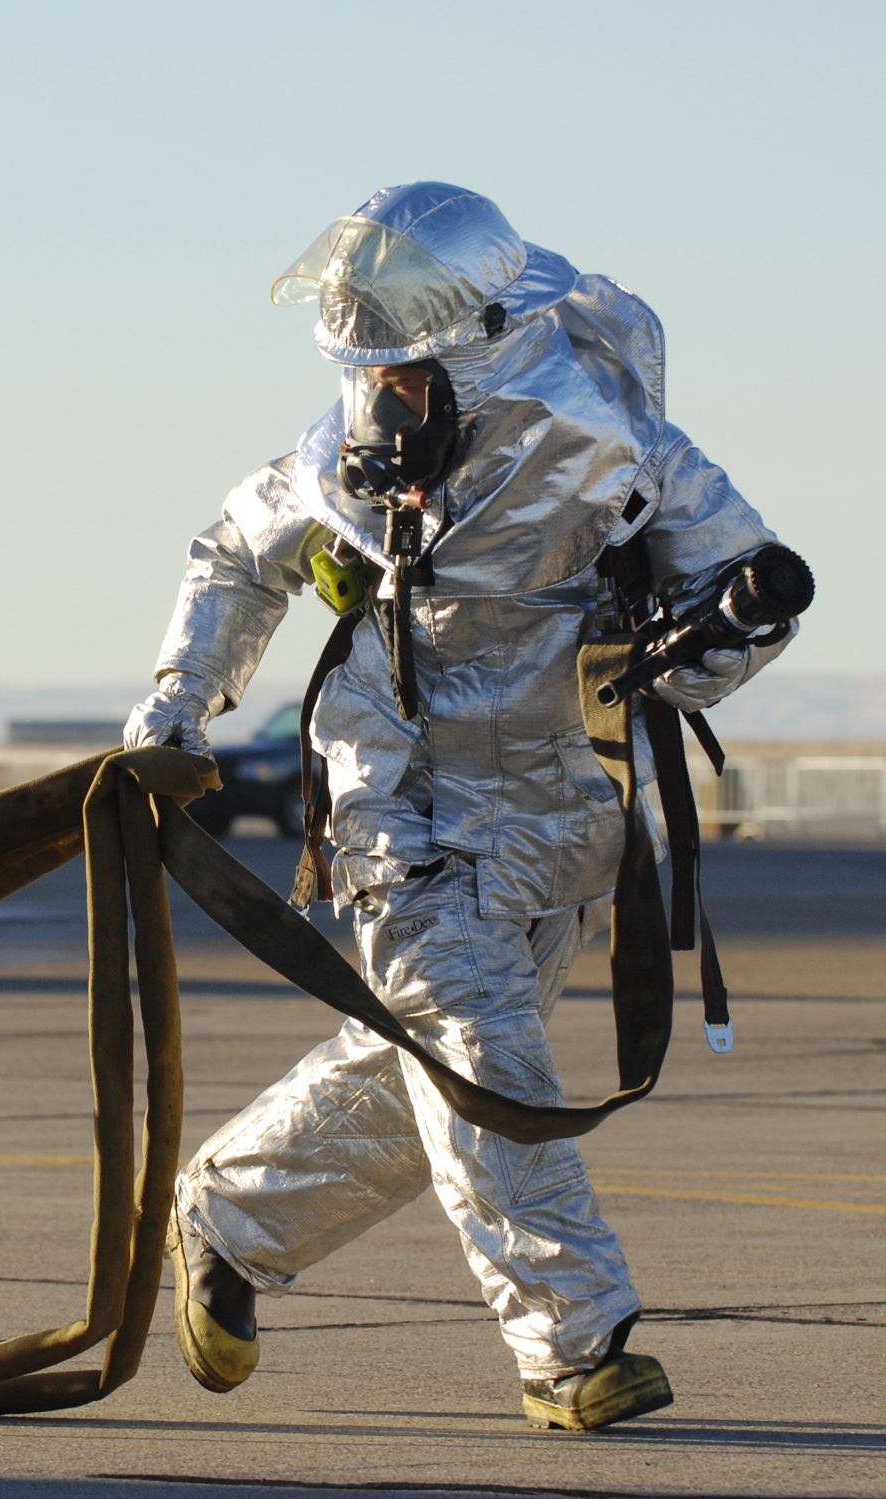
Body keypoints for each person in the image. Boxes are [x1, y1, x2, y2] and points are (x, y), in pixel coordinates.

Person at [124, 183, 795, 1432]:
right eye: (363, 375)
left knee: (423, 1057)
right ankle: (571, 1342)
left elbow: (742, 591)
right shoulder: (345, 453)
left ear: (480, 342)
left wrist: (700, 644)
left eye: (403, 375)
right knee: (483, 1059)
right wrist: (176, 701)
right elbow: (234, 553)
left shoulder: (613, 444)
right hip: (395, 799)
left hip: (556, 808)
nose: (378, 405)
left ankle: (226, 1214)